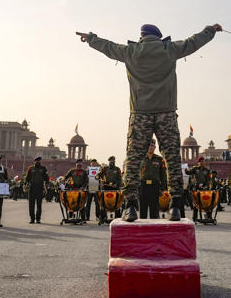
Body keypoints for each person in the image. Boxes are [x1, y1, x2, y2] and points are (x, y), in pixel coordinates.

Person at [77, 23, 221, 222]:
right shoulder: (169, 49)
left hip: (140, 114)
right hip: (167, 114)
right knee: (171, 161)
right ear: (158, 36)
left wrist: (91, 38)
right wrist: (210, 30)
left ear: (142, 36)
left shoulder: (131, 51)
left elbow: (108, 47)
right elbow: (193, 42)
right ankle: (176, 207)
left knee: (134, 162)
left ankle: (131, 207)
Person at [139, 141, 167, 219]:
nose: (150, 147)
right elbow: (136, 173)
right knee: (142, 207)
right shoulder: (140, 158)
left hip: (155, 186)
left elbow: (163, 175)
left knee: (154, 208)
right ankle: (142, 227)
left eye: (152, 146)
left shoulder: (159, 159)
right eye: (149, 145)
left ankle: (154, 228)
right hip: (143, 185)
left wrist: (162, 189)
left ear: (155, 147)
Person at [186, 157, 213, 221]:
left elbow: (209, 180)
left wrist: (206, 185)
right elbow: (189, 173)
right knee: (196, 203)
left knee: (206, 202)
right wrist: (186, 171)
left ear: (204, 162)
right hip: (196, 187)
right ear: (198, 162)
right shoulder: (195, 169)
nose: (201, 162)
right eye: (200, 161)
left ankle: (209, 216)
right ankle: (194, 218)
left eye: (203, 161)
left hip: (205, 188)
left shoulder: (207, 170)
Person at [25, 156, 49, 223]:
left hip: (40, 188)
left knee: (39, 204)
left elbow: (46, 178)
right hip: (32, 188)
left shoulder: (43, 168)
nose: (37, 162)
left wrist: (46, 186)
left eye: (39, 161)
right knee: (31, 205)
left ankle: (38, 219)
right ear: (34, 161)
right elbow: (27, 178)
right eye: (36, 161)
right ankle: (32, 219)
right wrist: (25, 184)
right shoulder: (30, 168)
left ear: (40, 161)